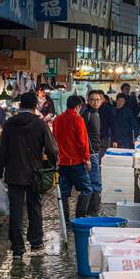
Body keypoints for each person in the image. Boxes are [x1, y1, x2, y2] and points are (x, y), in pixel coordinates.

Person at [0, 91, 59, 257]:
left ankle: (17, 248)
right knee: (34, 207)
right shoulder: (40, 124)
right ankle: (35, 243)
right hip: (34, 174)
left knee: (16, 210)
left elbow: (1, 149)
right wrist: (52, 165)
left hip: (14, 174)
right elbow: (52, 149)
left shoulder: (9, 123)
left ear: (20, 106)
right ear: (36, 106)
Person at [54, 94, 95, 223]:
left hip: (62, 163)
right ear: (78, 107)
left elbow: (54, 139)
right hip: (76, 162)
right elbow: (83, 142)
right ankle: (80, 218)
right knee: (87, 189)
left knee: (64, 193)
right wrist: (87, 159)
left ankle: (65, 221)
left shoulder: (57, 120)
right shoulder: (78, 120)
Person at [79, 90, 107, 212]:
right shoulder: (88, 114)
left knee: (92, 182)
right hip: (91, 153)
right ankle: (93, 212)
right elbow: (84, 135)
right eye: (93, 100)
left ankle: (90, 210)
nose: (95, 102)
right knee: (95, 183)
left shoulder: (95, 113)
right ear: (88, 101)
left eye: (97, 100)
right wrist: (89, 153)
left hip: (93, 151)